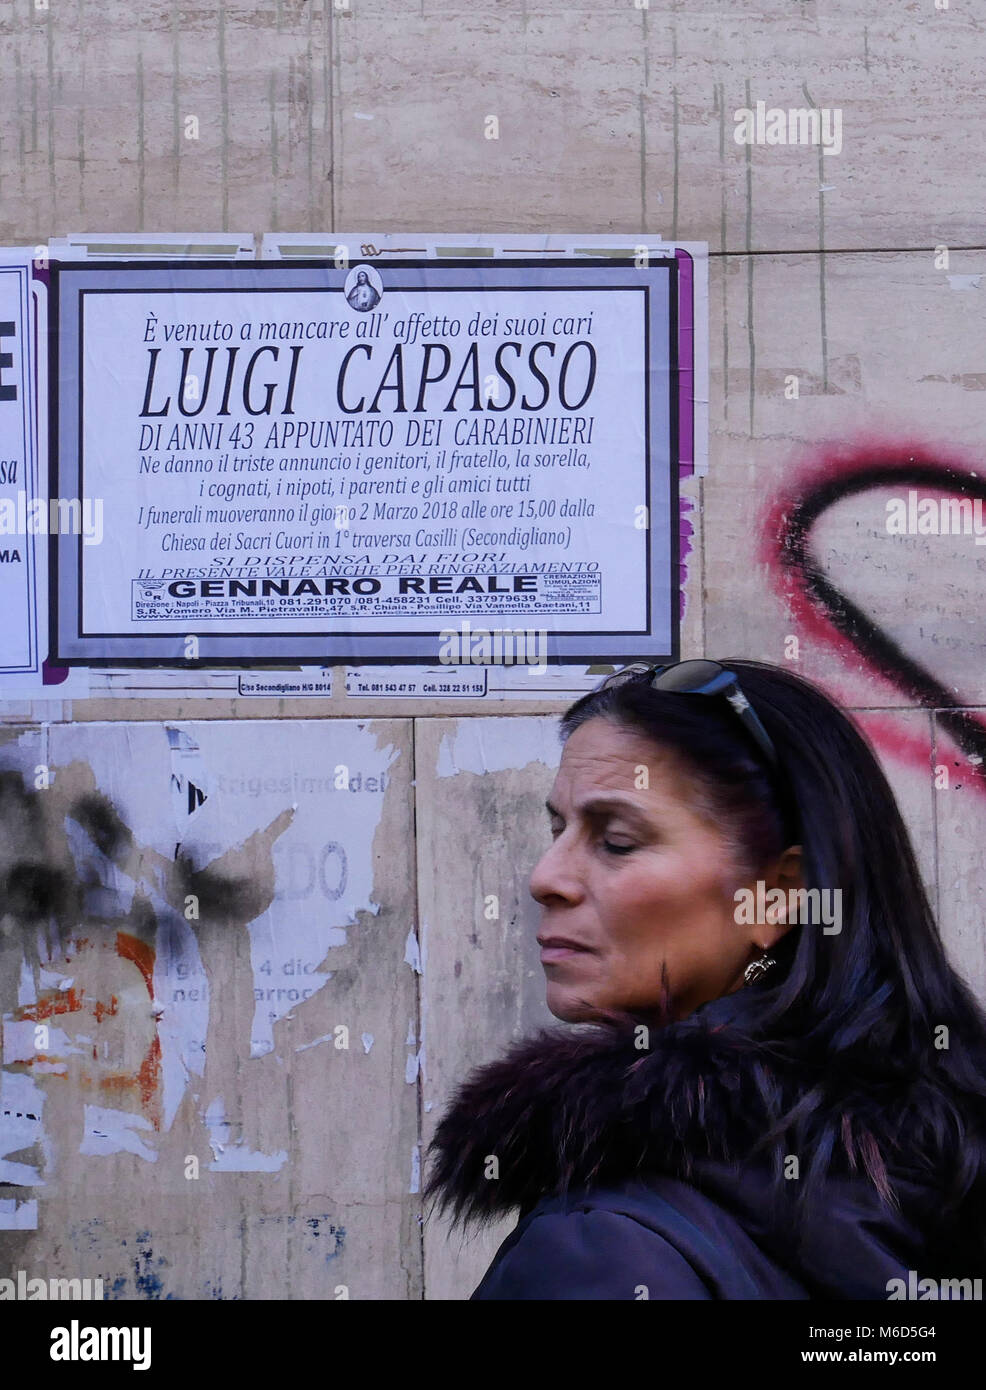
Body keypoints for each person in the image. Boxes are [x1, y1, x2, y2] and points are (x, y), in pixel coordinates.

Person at [423, 658, 986, 1299]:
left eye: (617, 841)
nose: (545, 877)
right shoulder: (931, 1176)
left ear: (776, 895)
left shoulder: (603, 1254)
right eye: (558, 829)